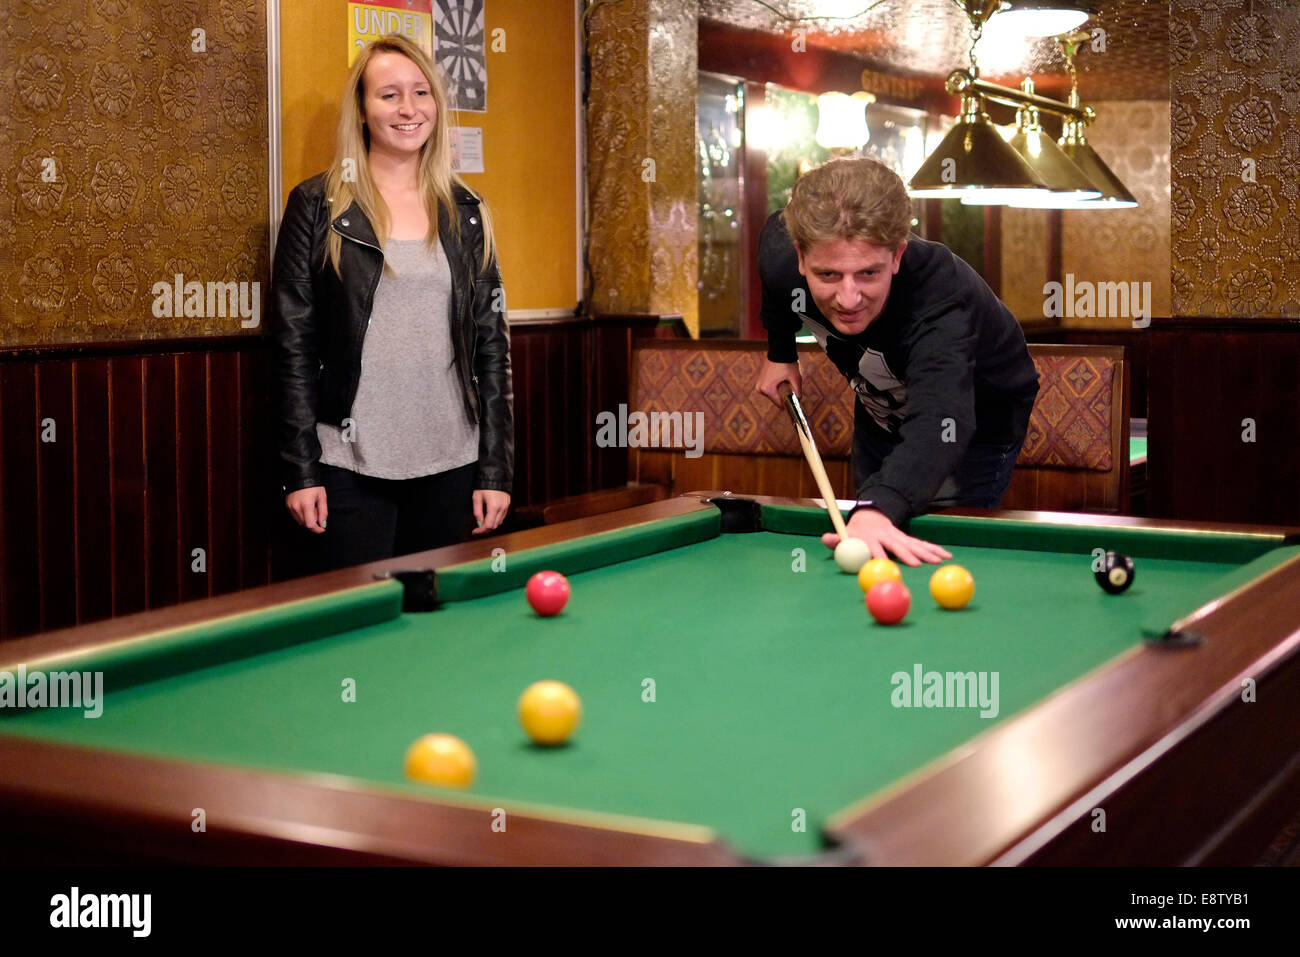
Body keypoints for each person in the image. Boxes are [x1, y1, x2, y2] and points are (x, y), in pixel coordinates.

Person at [269, 34, 513, 575]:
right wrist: (302, 470)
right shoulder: (315, 205)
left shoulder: (467, 210)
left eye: (421, 93)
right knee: (354, 631)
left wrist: (495, 470)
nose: (409, 109)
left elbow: (492, 348)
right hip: (347, 465)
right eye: (389, 95)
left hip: (453, 463)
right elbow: (292, 346)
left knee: (442, 630)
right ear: (361, 110)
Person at [755, 157, 1039, 566]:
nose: (848, 299)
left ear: (897, 255)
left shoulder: (942, 298)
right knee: (874, 526)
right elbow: (774, 269)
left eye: (868, 274)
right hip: (879, 406)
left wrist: (878, 507)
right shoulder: (783, 253)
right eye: (829, 276)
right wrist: (780, 353)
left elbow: (944, 418)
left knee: (919, 534)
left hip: (971, 421)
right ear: (800, 256)